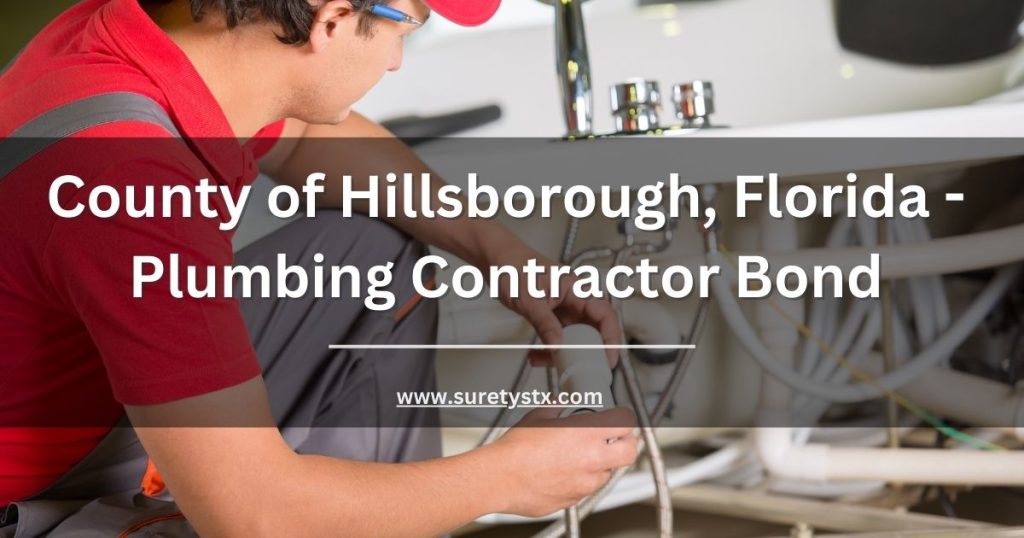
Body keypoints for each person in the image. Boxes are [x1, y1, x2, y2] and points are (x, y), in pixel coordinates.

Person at [0, 0, 638, 535]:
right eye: (405, 26)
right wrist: (506, 477)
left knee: (368, 257)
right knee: (264, 505)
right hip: (41, 498)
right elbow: (250, 513)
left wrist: (504, 255)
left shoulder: (133, 41)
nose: (395, 59)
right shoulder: (131, 176)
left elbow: (306, 140)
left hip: (89, 412)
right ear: (332, 19)